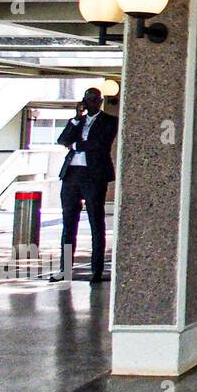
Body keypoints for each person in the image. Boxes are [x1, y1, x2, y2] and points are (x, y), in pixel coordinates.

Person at [52, 87, 118, 283]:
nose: (90, 102)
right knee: (68, 223)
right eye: (87, 99)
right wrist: (75, 118)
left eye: (93, 99)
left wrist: (75, 145)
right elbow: (62, 139)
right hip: (72, 174)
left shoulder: (109, 121)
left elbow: (99, 144)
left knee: (96, 222)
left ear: (100, 101)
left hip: (94, 174)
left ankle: (96, 270)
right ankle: (65, 269)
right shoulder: (77, 122)